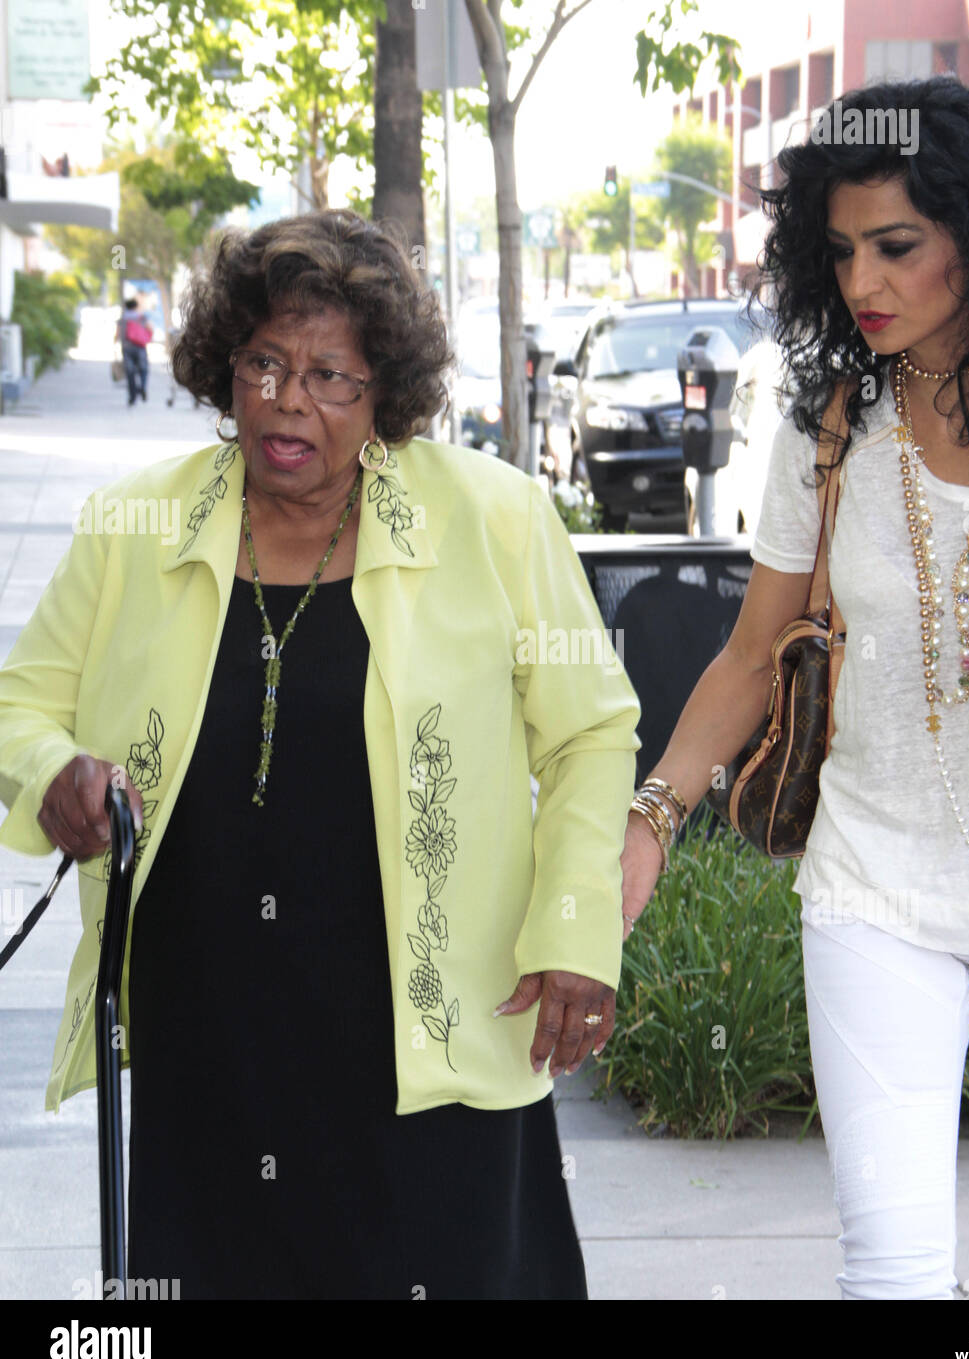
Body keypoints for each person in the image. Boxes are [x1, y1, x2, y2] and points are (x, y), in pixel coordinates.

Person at [0, 209, 640, 1298]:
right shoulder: (131, 526)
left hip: (429, 1026)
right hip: (211, 1033)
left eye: (330, 376)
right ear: (224, 366)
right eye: (263, 363)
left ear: (386, 391)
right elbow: (21, 706)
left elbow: (589, 731)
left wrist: (575, 926)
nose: (287, 400)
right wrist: (57, 771)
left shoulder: (494, 518)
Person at [620, 76, 969, 1300]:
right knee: (890, 1275)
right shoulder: (830, 425)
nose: (864, 280)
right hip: (874, 893)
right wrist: (651, 818)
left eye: (897, 246)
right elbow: (752, 654)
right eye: (844, 250)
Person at [116, 297, 151, 406]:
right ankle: (143, 387)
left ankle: (132, 396)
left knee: (130, 372)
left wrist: (115, 343)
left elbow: (117, 334)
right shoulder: (141, 318)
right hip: (140, 346)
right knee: (143, 369)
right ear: (136, 307)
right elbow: (150, 328)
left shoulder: (122, 319)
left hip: (127, 348)